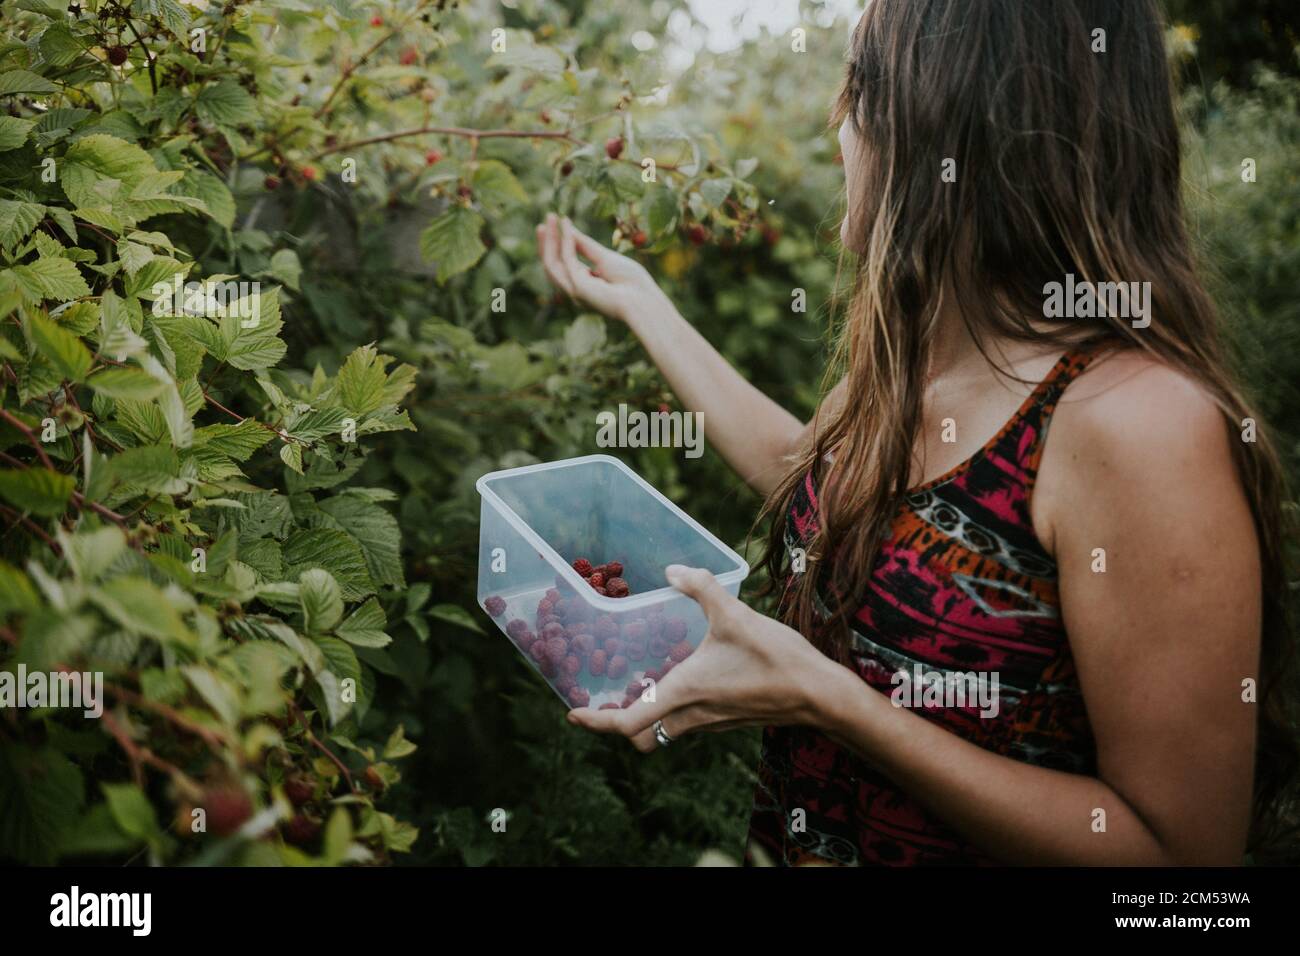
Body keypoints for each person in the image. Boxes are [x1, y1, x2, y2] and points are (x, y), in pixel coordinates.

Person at [535, 0, 1295, 865]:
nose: (839, 131)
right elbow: (816, 477)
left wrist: (829, 701)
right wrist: (646, 305)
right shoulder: (928, 354)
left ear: (956, 131)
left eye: (861, 92)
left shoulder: (1137, 423)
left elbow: (1182, 868)